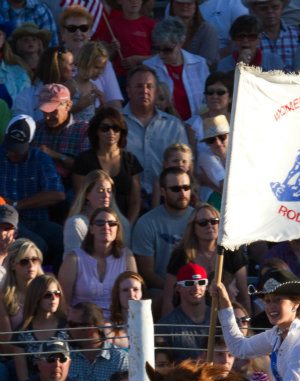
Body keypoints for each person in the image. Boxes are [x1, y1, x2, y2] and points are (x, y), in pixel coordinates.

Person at [163, 201, 250, 314]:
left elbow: (244, 295)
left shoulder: (232, 251)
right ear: (193, 227)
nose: (209, 225)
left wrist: (248, 326)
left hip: (228, 313)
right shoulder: (181, 254)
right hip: (191, 316)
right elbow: (168, 297)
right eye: (203, 223)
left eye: (214, 221)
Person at [0, 114, 64, 265]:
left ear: (30, 143)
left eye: (18, 149)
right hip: (6, 222)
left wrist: (18, 204)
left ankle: (56, 282)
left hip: (36, 219)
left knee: (62, 237)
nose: (13, 153)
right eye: (11, 147)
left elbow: (58, 194)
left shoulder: (40, 158)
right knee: (36, 245)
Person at [122, 65, 189, 205]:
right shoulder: (116, 124)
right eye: (139, 86)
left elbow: (184, 166)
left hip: (166, 200)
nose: (144, 91)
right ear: (128, 91)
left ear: (156, 91)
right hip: (126, 198)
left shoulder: (174, 125)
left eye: (149, 86)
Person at [59, 208, 136, 323]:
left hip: (118, 324)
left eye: (111, 223)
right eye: (100, 223)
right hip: (84, 324)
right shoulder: (73, 258)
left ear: (117, 229)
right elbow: (64, 304)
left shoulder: (127, 256)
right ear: (91, 229)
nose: (106, 227)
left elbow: (135, 296)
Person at [71, 108, 143, 228]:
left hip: (124, 222)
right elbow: (81, 198)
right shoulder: (83, 160)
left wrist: (127, 226)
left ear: (121, 131)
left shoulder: (130, 160)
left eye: (116, 128)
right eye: (105, 128)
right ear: (96, 131)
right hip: (92, 224)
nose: (111, 132)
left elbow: (135, 200)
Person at [131, 166, 194, 294]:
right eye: (175, 189)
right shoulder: (146, 223)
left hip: (197, 286)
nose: (182, 193)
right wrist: (175, 289)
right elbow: (146, 273)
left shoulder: (201, 219)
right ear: (163, 191)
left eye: (186, 188)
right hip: (161, 289)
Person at [65, 302, 129, 381]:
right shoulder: (64, 358)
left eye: (72, 324)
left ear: (90, 328)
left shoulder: (120, 359)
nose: (67, 328)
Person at [144, 17, 209, 122]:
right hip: (164, 127)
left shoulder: (199, 64)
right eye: (157, 49)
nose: (161, 54)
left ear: (180, 43)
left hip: (198, 127)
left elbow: (206, 100)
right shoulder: (148, 68)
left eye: (167, 49)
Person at [12, 272, 65, 381]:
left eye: (57, 293)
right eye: (47, 295)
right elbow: (23, 377)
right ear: (36, 297)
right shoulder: (21, 332)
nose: (54, 298)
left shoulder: (69, 326)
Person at [157, 261, 208, 360]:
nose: (196, 288)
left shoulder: (219, 318)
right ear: (178, 287)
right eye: (189, 283)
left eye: (201, 282)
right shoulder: (166, 326)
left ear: (207, 286)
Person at [63, 169, 122, 255]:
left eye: (109, 191)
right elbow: (73, 261)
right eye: (100, 191)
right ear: (87, 194)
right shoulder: (76, 224)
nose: (106, 196)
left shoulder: (120, 222)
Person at [245, 0, 300, 72]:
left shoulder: (297, 35)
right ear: (254, 11)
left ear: (282, 8)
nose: (270, 11)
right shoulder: (248, 39)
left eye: (275, 7)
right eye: (264, 8)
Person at [218, 13, 285, 71]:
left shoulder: (274, 61)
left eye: (251, 36)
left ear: (259, 39)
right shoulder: (224, 65)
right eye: (240, 36)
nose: (245, 40)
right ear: (234, 39)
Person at [107, 0, 155, 80]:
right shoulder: (112, 24)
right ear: (119, 1)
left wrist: (139, 60)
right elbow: (107, 56)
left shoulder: (150, 25)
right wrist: (112, 49)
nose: (134, 1)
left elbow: (160, 56)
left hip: (145, 76)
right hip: (120, 77)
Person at [169, 0, 220, 68]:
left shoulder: (207, 31)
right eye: (180, 3)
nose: (185, 6)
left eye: (189, 3)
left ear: (195, 6)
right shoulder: (163, 30)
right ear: (172, 5)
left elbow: (207, 63)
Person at [108, 270, 146, 350]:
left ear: (142, 293)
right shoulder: (108, 327)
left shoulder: (150, 326)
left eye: (135, 289)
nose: (131, 294)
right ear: (117, 295)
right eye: (125, 290)